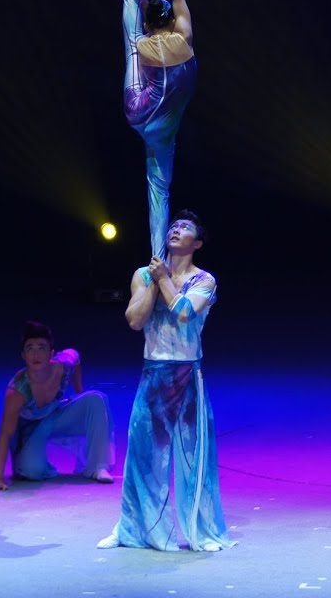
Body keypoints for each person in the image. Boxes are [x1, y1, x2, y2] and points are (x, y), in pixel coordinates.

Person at [97, 211, 233, 552]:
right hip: (153, 372)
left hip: (188, 374)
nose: (176, 229)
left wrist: (164, 280)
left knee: (193, 457)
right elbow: (134, 320)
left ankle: (201, 531)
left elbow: (184, 312)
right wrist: (154, 281)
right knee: (142, 455)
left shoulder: (205, 280)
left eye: (184, 228)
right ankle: (130, 527)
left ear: (197, 243)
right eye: (173, 226)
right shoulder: (144, 275)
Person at [120, 0, 197, 259]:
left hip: (138, 111)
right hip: (162, 133)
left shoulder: (144, 44)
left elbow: (141, 26)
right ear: (172, 21)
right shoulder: (186, 37)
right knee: (159, 190)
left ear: (152, 24)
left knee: (130, 42)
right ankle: (157, 257)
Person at [0, 321, 115, 492]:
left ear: (51, 353)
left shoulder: (63, 364)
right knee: (31, 471)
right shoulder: (18, 390)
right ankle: (29, 462)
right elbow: (5, 434)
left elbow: (76, 356)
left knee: (95, 399)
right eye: (30, 348)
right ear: (23, 355)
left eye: (41, 348)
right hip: (30, 431)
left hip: (56, 416)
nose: (36, 354)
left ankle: (97, 467)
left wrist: (79, 391)